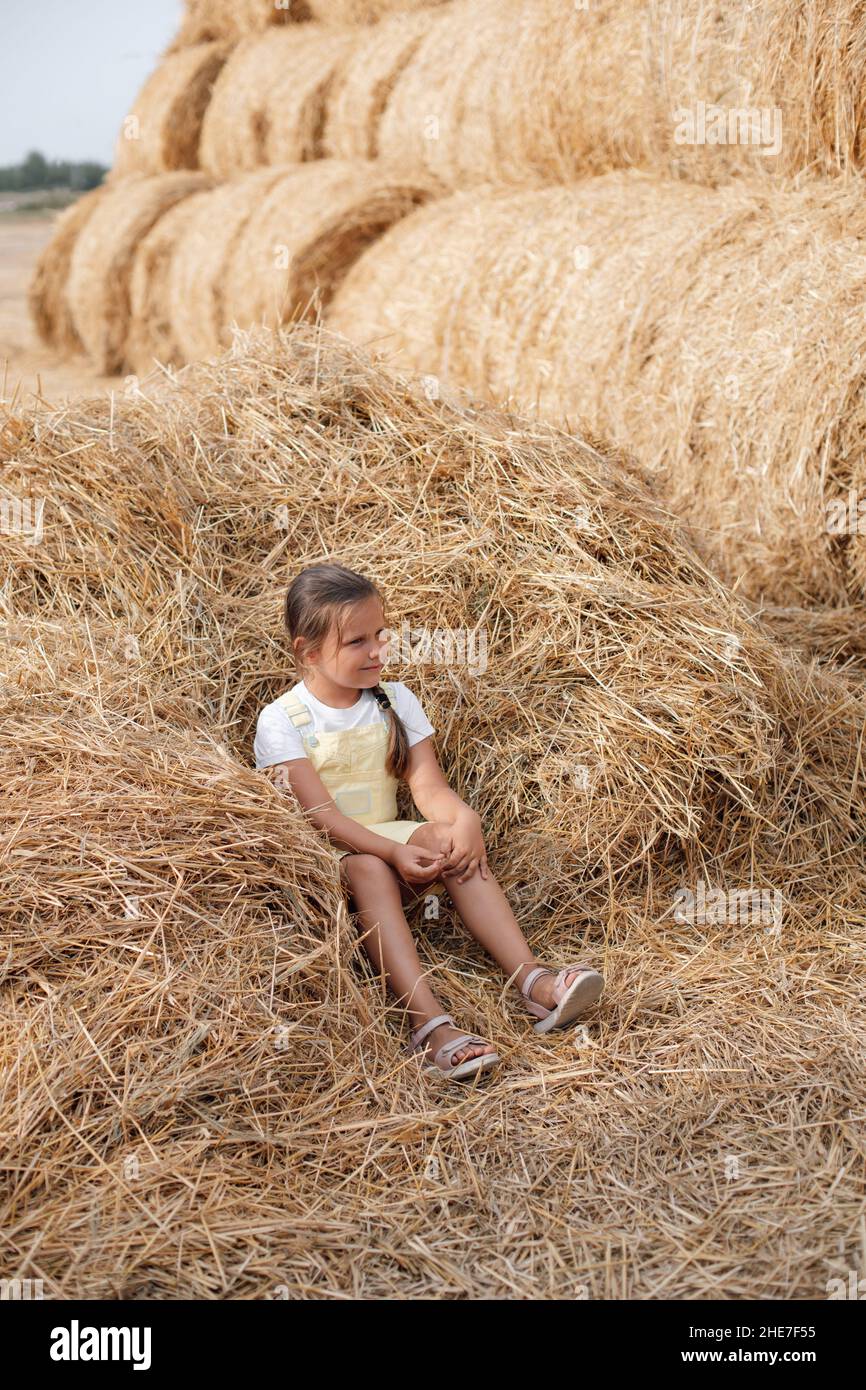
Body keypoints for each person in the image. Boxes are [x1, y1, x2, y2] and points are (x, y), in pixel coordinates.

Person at [254, 562, 603, 1082]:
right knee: (368, 868)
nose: (377, 651)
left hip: (387, 843)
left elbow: (427, 789)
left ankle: (534, 984)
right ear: (308, 652)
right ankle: (430, 1025)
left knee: (448, 840)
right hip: (325, 858)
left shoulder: (396, 700)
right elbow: (320, 816)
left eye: (381, 634)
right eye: (357, 642)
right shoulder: (282, 720)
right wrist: (391, 852)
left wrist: (463, 819)